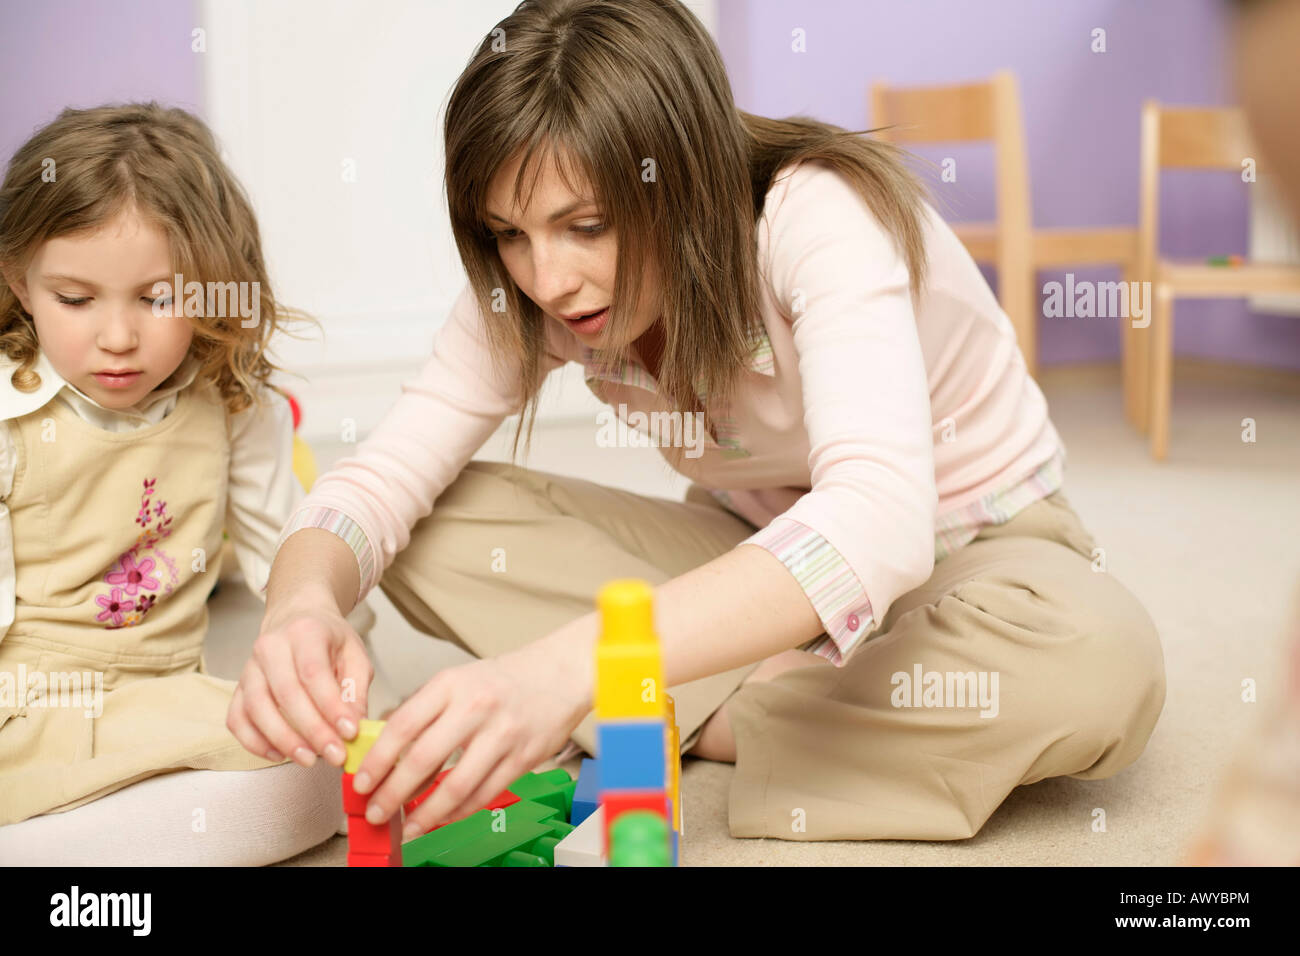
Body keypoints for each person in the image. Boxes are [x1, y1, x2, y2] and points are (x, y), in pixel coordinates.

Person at [229, 0, 1166, 843]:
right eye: (510, 234)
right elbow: (383, 477)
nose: (547, 279)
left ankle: (690, 709)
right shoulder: (531, 298)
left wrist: (560, 674)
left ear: (681, 182)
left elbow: (879, 519)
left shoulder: (817, 217)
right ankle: (747, 697)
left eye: (585, 225)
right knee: (434, 528)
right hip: (749, 556)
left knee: (1099, 664)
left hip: (967, 553)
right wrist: (301, 603)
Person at [0, 103, 343, 864]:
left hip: (165, 685)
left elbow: (287, 554)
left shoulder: (230, 405)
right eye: (76, 299)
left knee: (308, 746)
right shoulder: (8, 416)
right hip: (28, 704)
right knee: (288, 760)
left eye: (160, 299)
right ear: (18, 280)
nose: (118, 338)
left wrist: (326, 667)